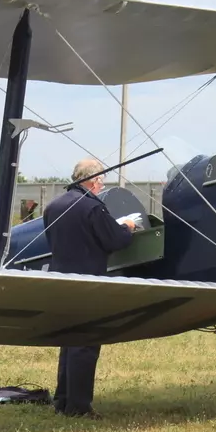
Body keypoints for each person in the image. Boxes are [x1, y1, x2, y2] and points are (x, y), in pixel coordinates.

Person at [42, 158, 136, 417]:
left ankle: (62, 401)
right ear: (94, 181)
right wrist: (127, 227)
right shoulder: (92, 207)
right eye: (101, 181)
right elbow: (114, 240)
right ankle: (79, 407)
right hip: (87, 284)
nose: (101, 186)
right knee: (86, 344)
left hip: (61, 282)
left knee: (69, 341)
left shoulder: (53, 206)